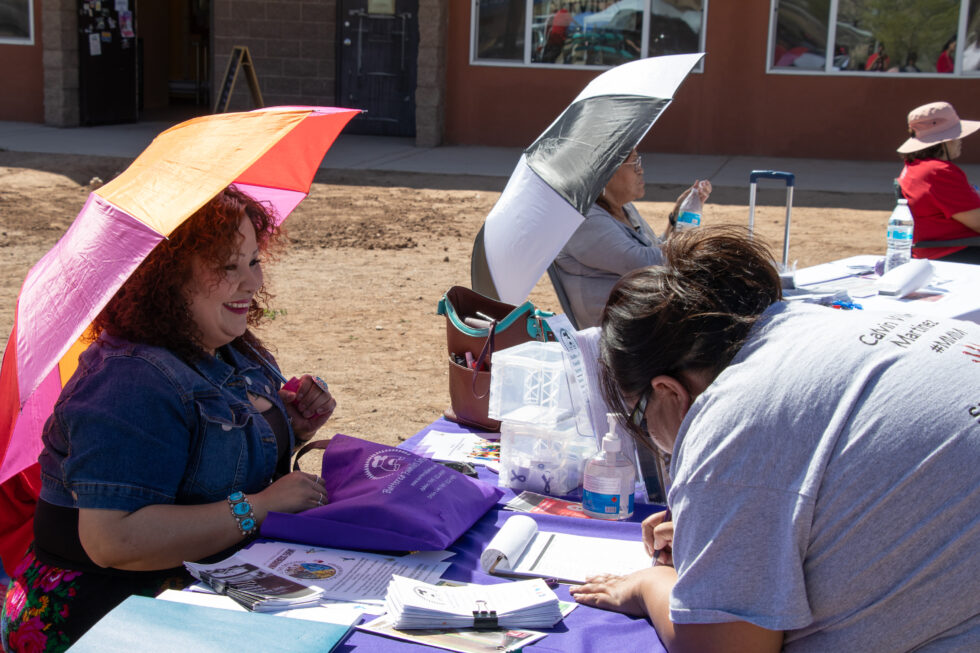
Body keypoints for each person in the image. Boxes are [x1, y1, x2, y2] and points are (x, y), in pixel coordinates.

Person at [568, 227, 980, 652]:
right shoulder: (806, 323)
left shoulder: (730, 416)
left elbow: (728, 649)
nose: (653, 440)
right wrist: (717, 527)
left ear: (669, 391)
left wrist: (652, 585)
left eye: (640, 416)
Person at [0, 186, 337, 651]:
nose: (252, 282)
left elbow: (209, 455)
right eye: (227, 267)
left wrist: (289, 424)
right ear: (166, 276)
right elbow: (113, 539)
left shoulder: (225, 342)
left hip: (196, 590)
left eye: (254, 261)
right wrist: (258, 507)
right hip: (106, 619)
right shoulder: (128, 380)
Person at [552, 149, 712, 327]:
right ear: (607, 171)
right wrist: (686, 241)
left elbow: (653, 249)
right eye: (634, 163)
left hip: (645, 313)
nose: (640, 170)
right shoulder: (585, 220)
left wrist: (676, 219)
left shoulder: (624, 208)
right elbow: (642, 262)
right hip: (618, 330)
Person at [896, 101, 980, 263]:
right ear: (944, 141)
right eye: (956, 136)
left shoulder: (915, 166)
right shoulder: (938, 171)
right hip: (955, 252)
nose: (960, 141)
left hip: (939, 249)